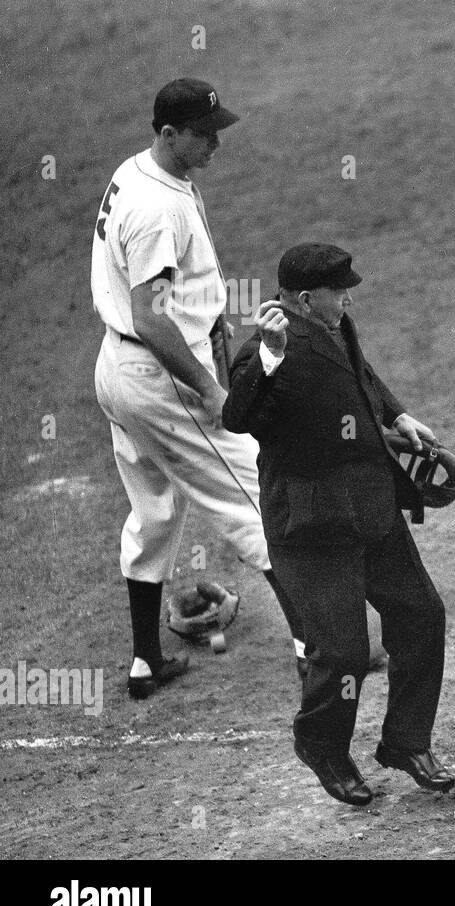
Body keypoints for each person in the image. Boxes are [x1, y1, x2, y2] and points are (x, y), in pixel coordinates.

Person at [91, 78, 309, 699]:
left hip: (119, 372)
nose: (216, 141)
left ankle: (144, 662)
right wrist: (211, 394)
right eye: (204, 133)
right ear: (169, 134)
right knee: (257, 492)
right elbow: (151, 316)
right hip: (160, 380)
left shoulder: (138, 174)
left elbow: (173, 294)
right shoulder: (157, 208)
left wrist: (213, 321)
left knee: (154, 511)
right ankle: (314, 650)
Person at [223, 242, 455, 806]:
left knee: (421, 615)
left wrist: (397, 416)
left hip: (371, 509)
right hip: (312, 526)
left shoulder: (333, 323)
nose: (349, 299)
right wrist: (272, 356)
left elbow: (359, 375)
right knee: (344, 653)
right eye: (340, 291)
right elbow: (238, 416)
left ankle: (405, 741)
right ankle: (323, 746)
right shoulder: (264, 349)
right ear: (306, 298)